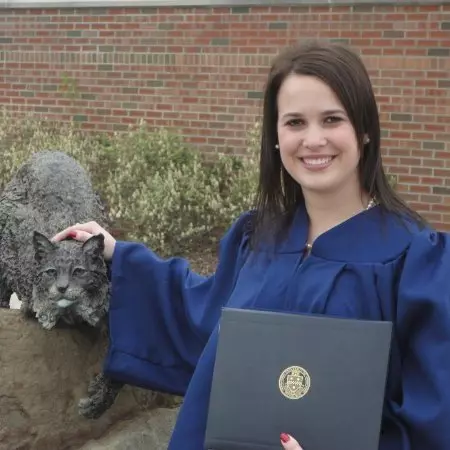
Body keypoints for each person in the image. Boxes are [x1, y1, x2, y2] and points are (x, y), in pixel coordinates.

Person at [52, 40, 450, 450]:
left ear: (365, 130)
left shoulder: (415, 261)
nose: (313, 140)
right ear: (275, 137)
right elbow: (204, 317)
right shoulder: (257, 239)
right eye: (295, 123)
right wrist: (120, 256)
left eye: (332, 119)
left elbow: (434, 418)